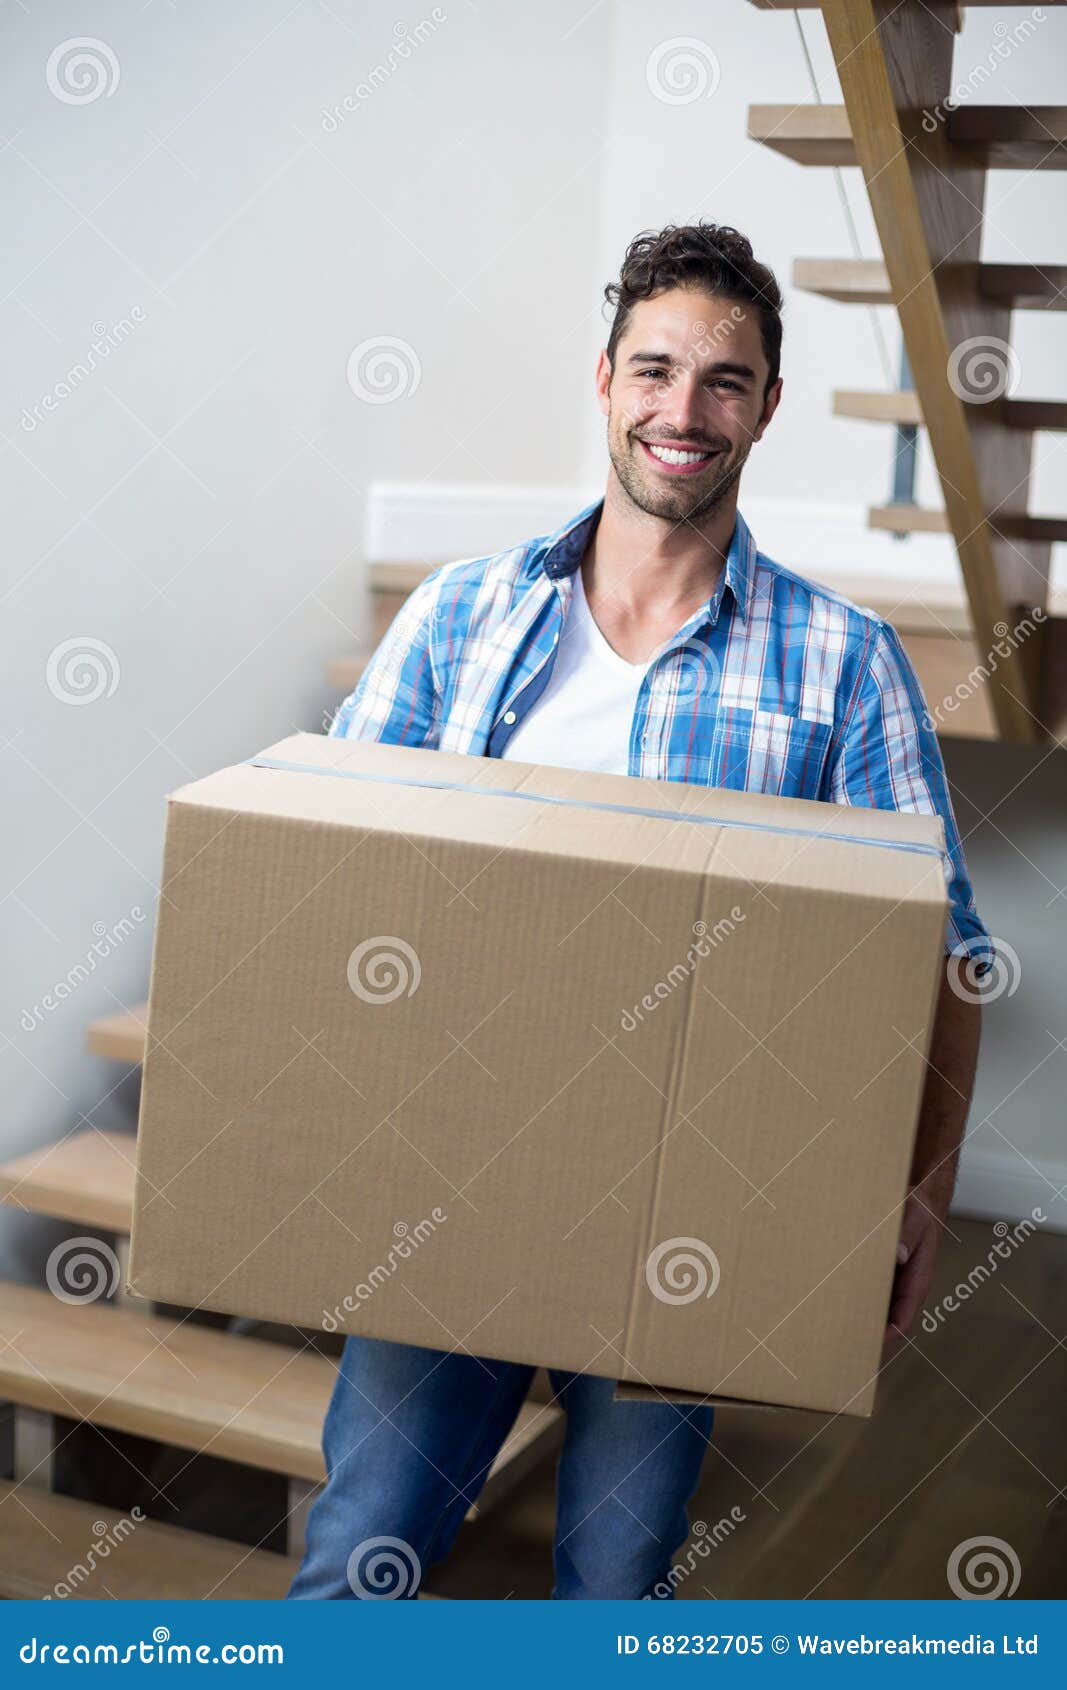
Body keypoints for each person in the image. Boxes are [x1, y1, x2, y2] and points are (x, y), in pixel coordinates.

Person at [287, 222, 991, 1601]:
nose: (685, 411)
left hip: (689, 1213)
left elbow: (945, 953)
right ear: (603, 378)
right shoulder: (462, 618)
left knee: (616, 1588)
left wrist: (917, 1189)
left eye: (726, 382)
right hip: (454, 1182)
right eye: (656, 370)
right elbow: (337, 876)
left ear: (768, 408)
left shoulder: (844, 663)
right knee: (354, 1562)